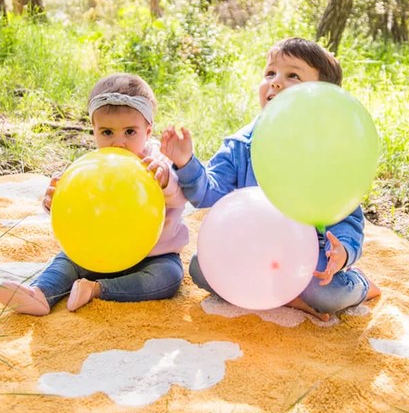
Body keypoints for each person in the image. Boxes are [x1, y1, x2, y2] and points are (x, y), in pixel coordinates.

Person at [160, 37, 380, 322]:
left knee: (326, 295)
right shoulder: (242, 144)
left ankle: (359, 285)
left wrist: (343, 252)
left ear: (323, 95)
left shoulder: (330, 151)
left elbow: (346, 216)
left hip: (309, 255)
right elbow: (209, 193)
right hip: (254, 245)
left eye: (292, 75)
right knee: (202, 268)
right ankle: (290, 297)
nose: (275, 82)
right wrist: (186, 163)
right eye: (270, 73)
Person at [0, 73, 189, 316]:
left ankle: (96, 289)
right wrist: (54, 202)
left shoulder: (158, 162)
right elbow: (75, 209)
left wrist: (166, 181)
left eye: (130, 132)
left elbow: (181, 196)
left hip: (153, 256)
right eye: (107, 132)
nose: (119, 142)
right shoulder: (92, 167)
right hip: (99, 253)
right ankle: (41, 294)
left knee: (169, 277)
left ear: (148, 132)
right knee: (67, 260)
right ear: (94, 131)